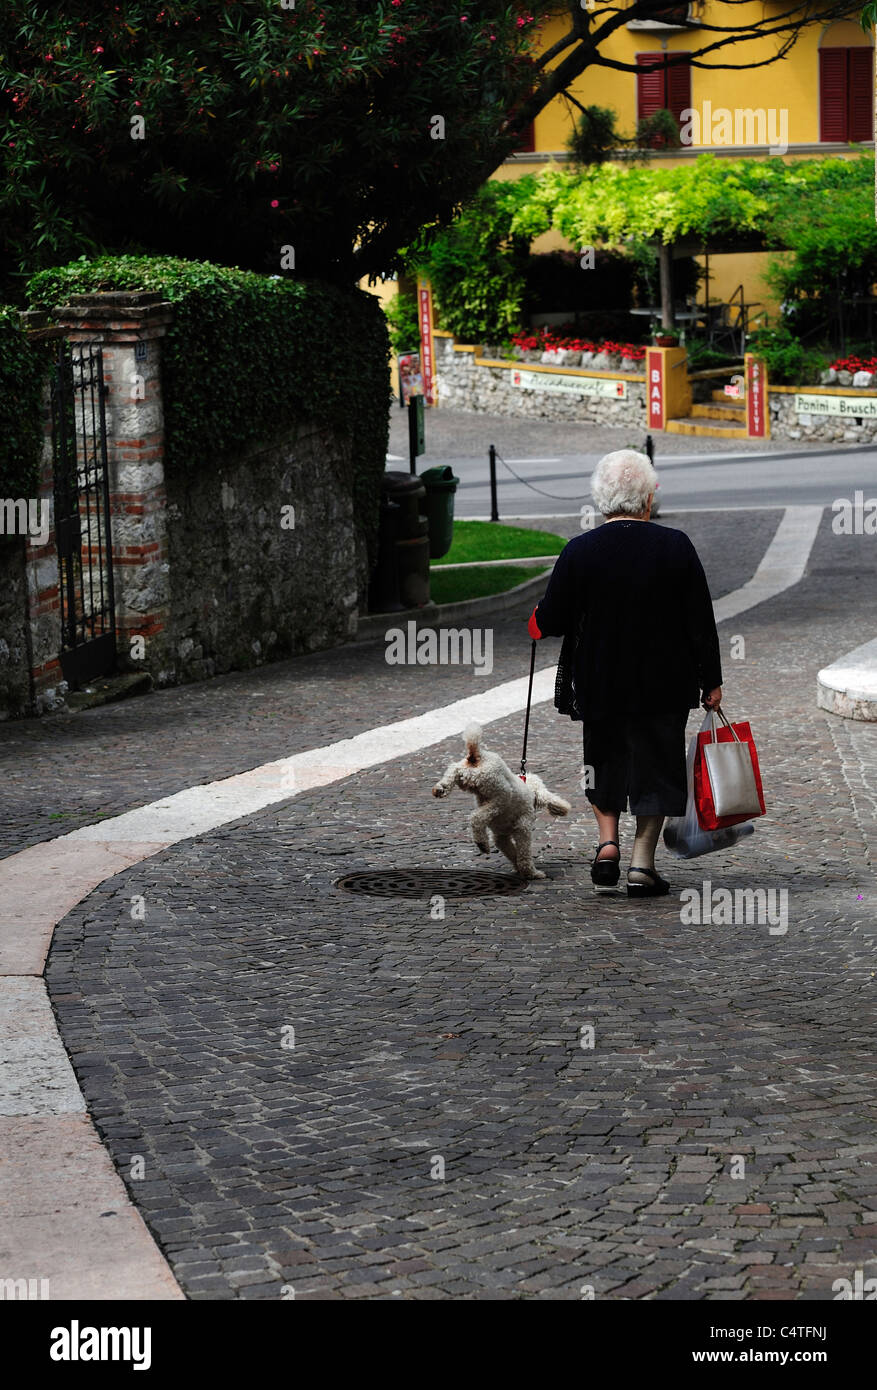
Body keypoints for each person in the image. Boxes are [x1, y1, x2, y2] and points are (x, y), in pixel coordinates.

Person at [527, 449, 722, 898]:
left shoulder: (580, 550)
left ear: (601, 498)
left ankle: (606, 844)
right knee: (657, 767)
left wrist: (536, 618)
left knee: (604, 762)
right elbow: (700, 623)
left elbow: (551, 618)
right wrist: (711, 680)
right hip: (663, 684)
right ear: (648, 499)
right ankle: (641, 864)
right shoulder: (676, 546)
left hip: (600, 681)